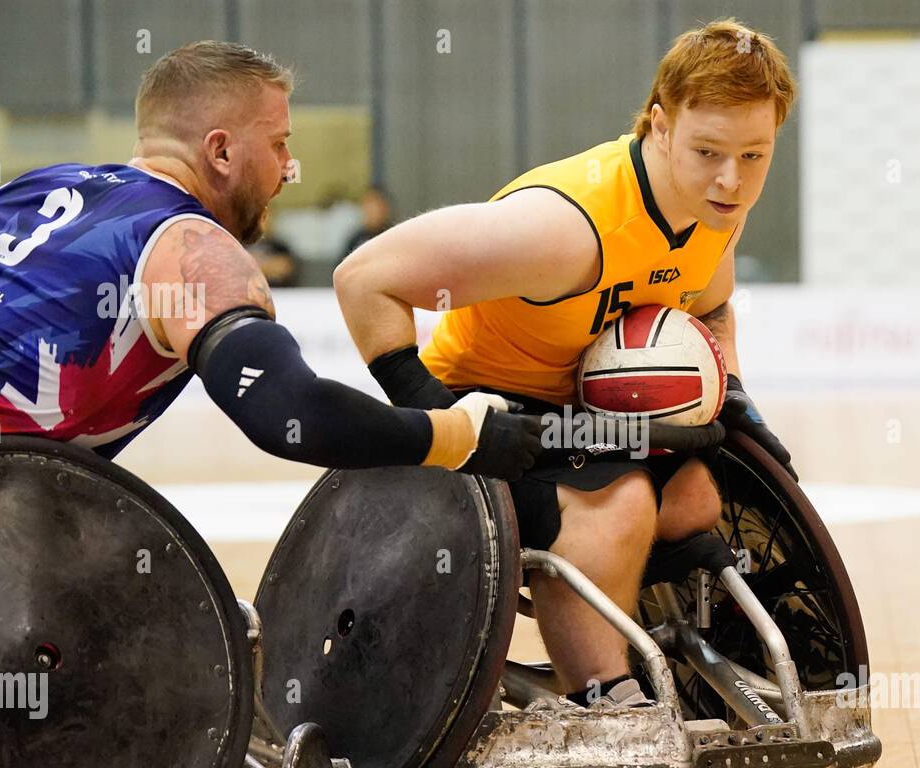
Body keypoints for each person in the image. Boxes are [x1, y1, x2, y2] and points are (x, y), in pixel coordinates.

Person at [334, 19, 798, 708]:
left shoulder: (716, 211)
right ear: (660, 126)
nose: (732, 180)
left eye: (755, 156)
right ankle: (602, 693)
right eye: (708, 151)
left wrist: (730, 390)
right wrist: (443, 419)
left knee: (700, 495)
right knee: (622, 503)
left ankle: (608, 611)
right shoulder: (562, 230)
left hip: (578, 416)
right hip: (484, 405)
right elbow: (363, 276)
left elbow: (714, 305)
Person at [0, 41, 539, 479]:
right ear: (221, 151)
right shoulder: (191, 247)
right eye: (279, 143)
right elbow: (290, 414)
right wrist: (460, 436)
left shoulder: (22, 191)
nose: (288, 167)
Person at [338, 184, 394, 263]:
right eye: (368, 204)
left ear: (385, 208)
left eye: (376, 205)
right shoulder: (356, 239)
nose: (372, 210)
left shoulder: (393, 236)